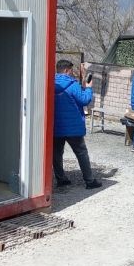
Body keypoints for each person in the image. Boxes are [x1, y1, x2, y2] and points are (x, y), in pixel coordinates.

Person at [52, 59, 101, 189]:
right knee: (81, 153)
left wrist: (82, 79)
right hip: (73, 128)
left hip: (55, 127)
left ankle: (61, 179)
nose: (73, 73)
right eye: (72, 70)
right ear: (67, 70)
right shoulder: (72, 85)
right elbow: (84, 100)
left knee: (56, 154)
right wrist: (88, 88)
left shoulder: (50, 84)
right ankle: (89, 181)